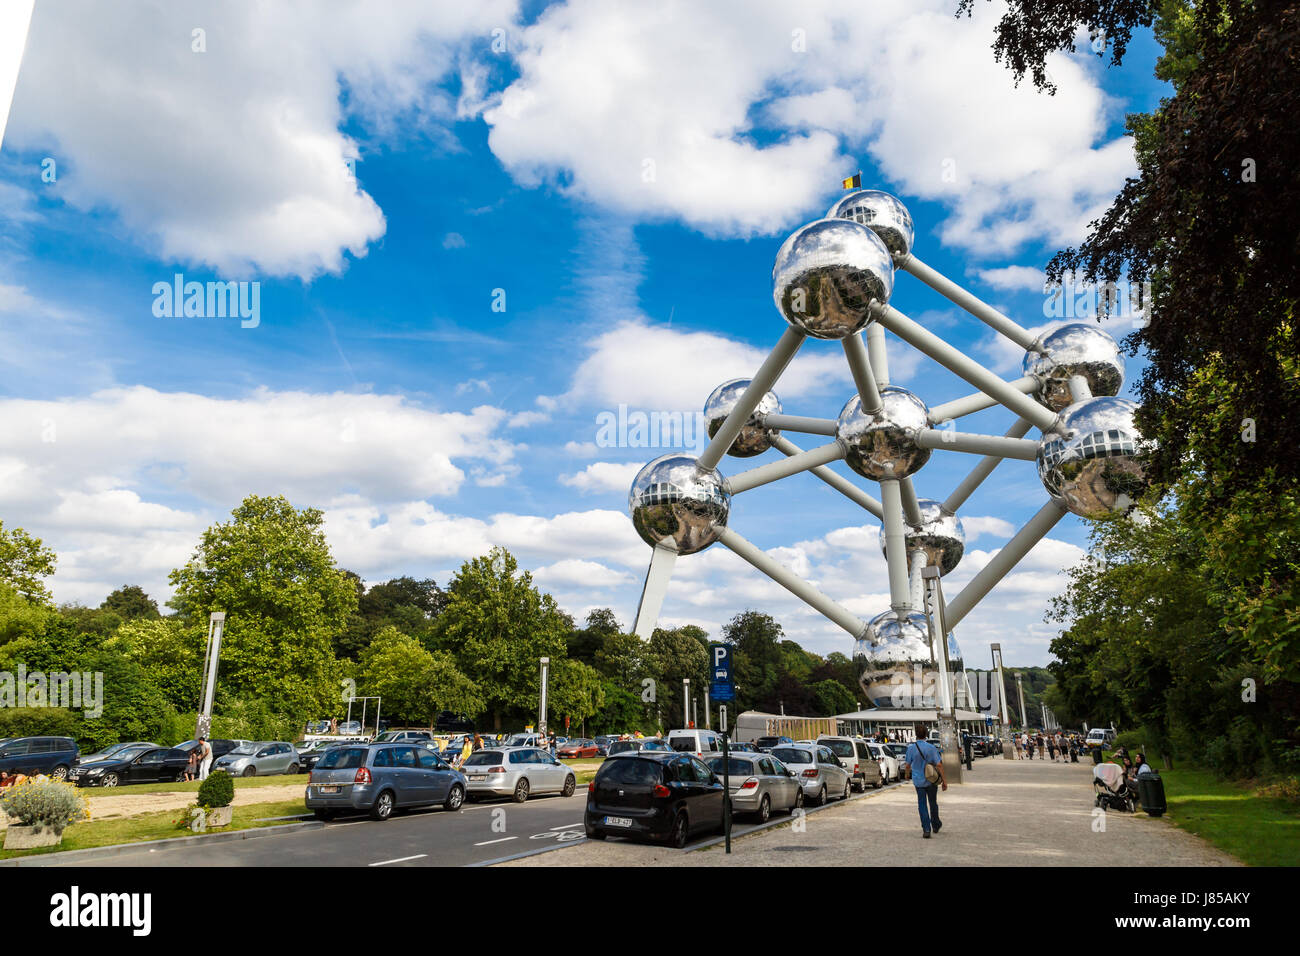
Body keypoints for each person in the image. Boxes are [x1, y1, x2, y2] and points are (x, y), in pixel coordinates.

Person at [903, 723, 947, 838]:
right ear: (926, 734)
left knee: (921, 804)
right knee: (933, 803)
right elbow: (939, 765)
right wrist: (944, 780)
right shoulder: (931, 748)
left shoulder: (911, 748)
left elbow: (907, 765)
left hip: (918, 781)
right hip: (931, 779)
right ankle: (936, 824)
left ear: (916, 734)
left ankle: (926, 829)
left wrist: (907, 775)